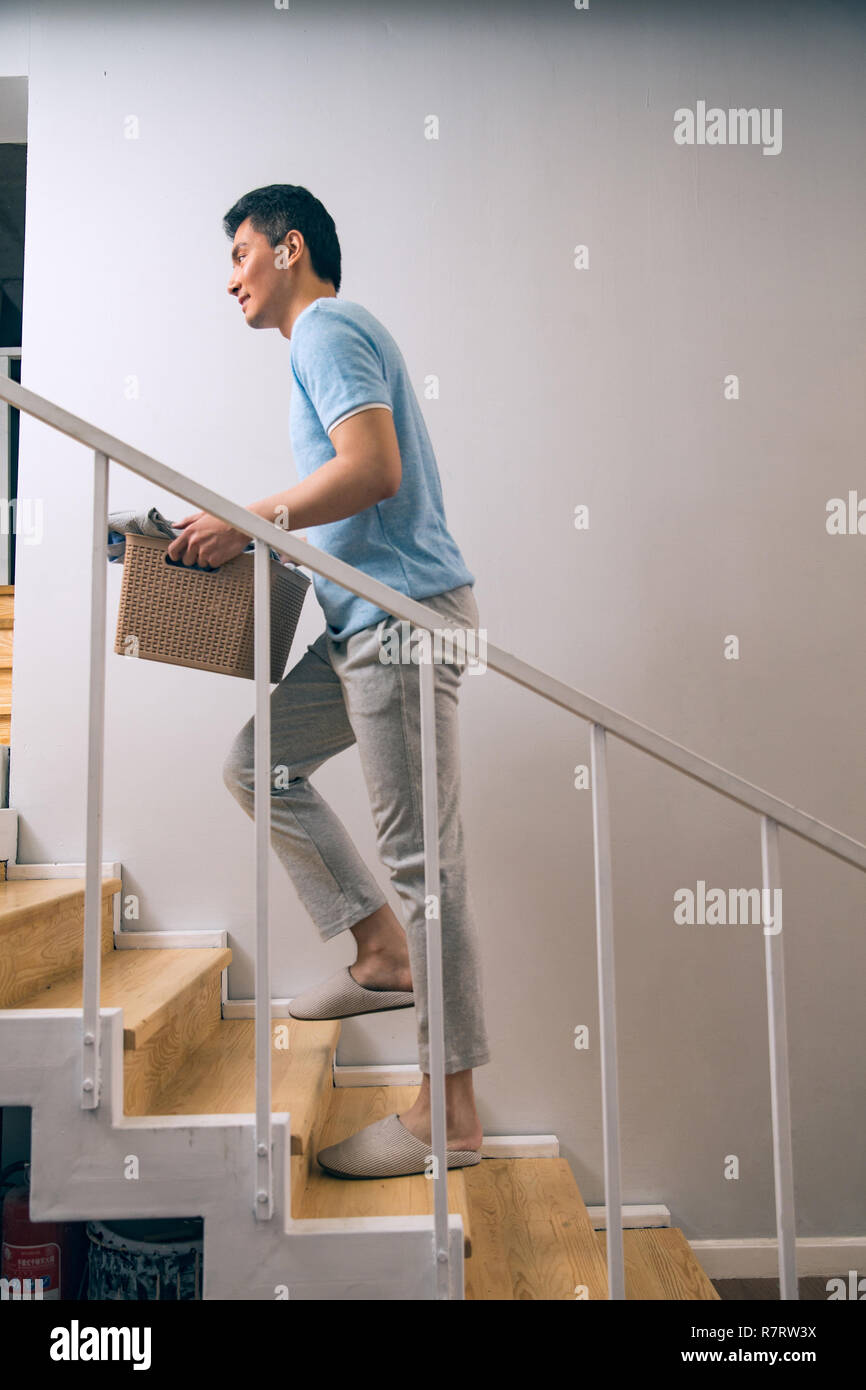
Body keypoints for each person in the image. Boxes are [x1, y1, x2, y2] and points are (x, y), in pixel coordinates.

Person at [167, 184, 489, 1178]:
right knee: (256, 764)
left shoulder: (326, 326)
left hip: (398, 621)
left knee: (422, 868)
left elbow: (373, 467)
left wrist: (252, 519)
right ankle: (380, 954)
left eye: (238, 255)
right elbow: (353, 494)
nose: (229, 280)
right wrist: (250, 549)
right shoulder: (321, 340)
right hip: (363, 617)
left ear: (288, 247)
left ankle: (450, 1115)